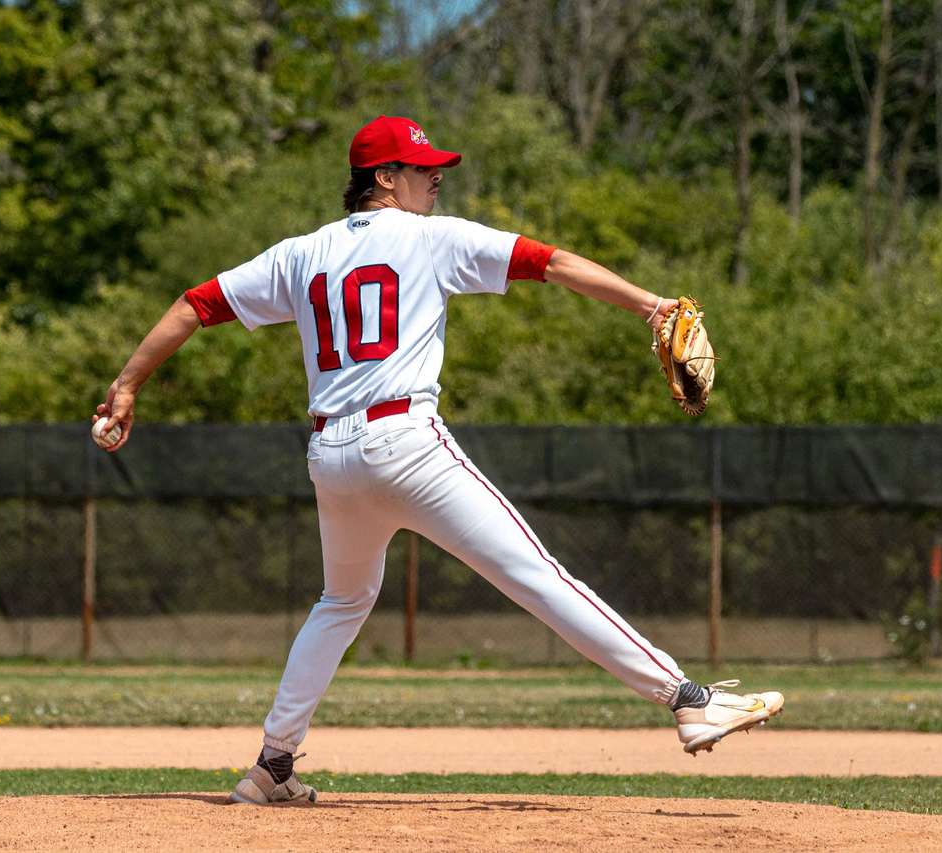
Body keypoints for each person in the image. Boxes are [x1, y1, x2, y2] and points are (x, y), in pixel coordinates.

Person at [93, 115, 784, 806]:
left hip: (332, 455)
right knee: (536, 574)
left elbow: (195, 304)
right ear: (383, 179)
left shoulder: (299, 255)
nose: (437, 176)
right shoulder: (432, 238)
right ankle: (687, 698)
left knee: (341, 600)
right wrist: (651, 304)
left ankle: (272, 765)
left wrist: (126, 385)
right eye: (422, 167)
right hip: (406, 444)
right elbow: (550, 262)